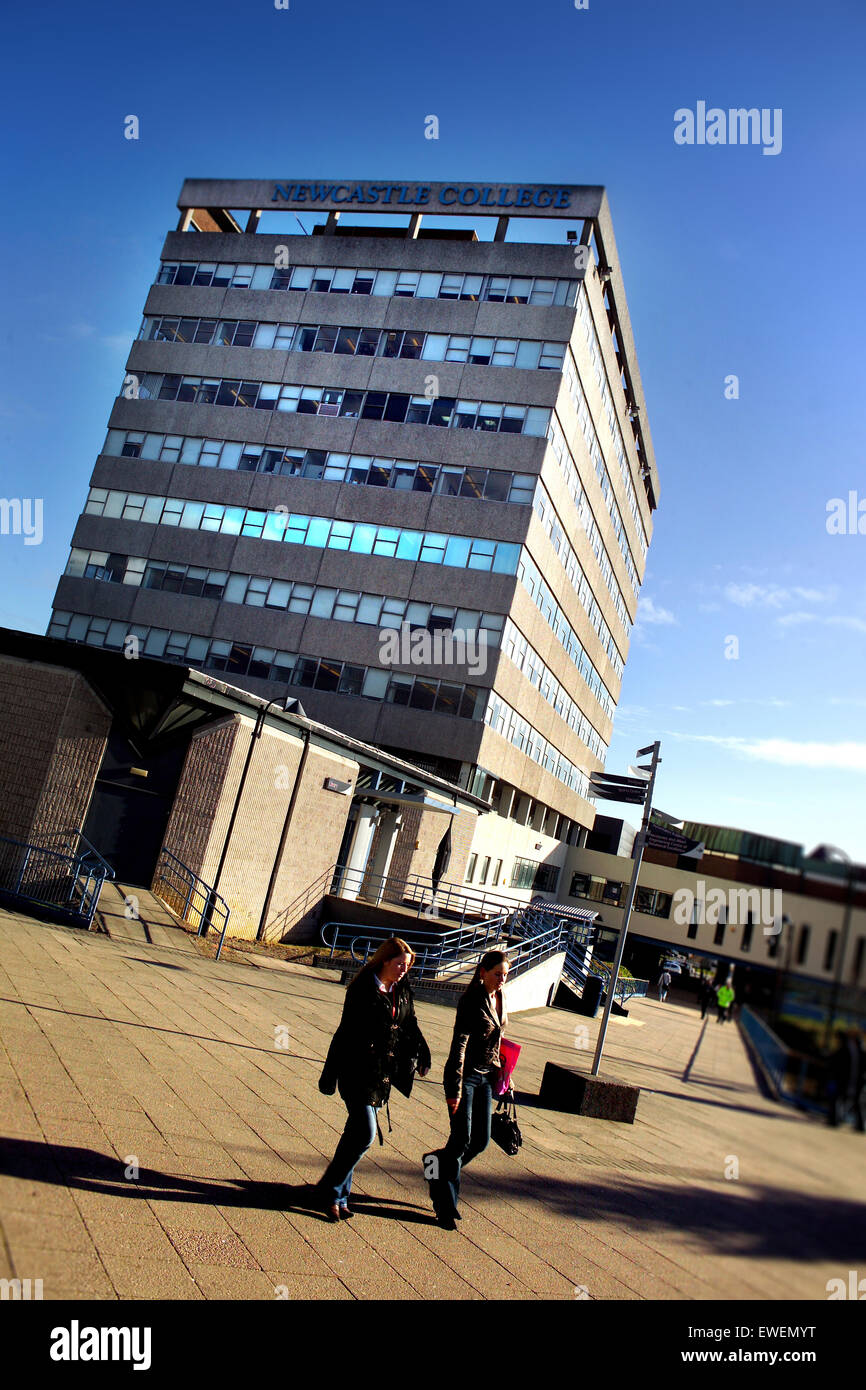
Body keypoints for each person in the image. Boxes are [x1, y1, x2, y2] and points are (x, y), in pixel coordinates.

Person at [318, 937, 431, 1221]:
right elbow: (344, 1032)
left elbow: (411, 1025)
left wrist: (423, 1054)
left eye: (407, 966)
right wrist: (329, 1074)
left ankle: (341, 1196)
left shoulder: (402, 990)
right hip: (356, 1071)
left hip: (383, 1076)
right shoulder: (362, 989)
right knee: (366, 1134)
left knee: (353, 1136)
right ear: (385, 960)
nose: (404, 970)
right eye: (399, 964)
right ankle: (329, 1191)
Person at [424, 949, 509, 1230]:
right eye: (497, 974)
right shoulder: (471, 1000)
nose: (502, 979)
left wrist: (504, 1073)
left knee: (480, 1141)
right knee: (461, 1140)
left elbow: (499, 1036)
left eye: (505, 975)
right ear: (482, 972)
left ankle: (434, 1164)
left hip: (487, 1078)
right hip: (466, 1077)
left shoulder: (501, 997)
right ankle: (445, 1206)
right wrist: (454, 1087)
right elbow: (459, 1045)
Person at [827, 1028, 865, 1131]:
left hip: (847, 1080)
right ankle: (858, 1125)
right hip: (853, 1080)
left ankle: (834, 1121)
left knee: (838, 1099)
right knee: (853, 1102)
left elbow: (836, 1060)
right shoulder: (858, 1049)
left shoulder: (847, 1047)